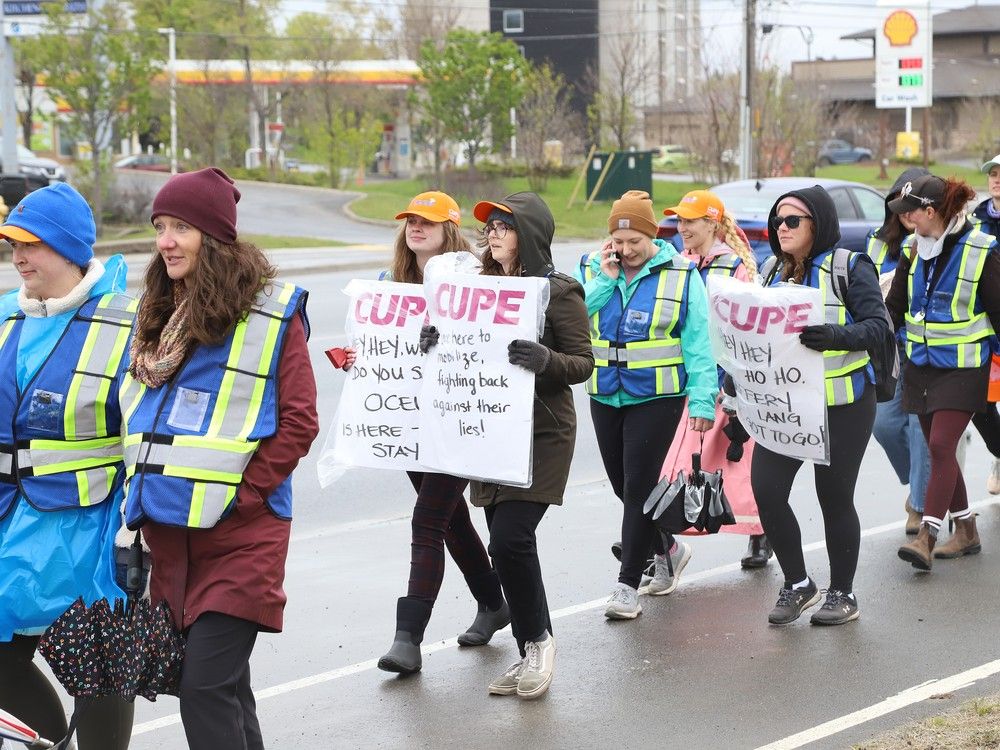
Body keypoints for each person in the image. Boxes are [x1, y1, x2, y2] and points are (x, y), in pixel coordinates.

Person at [121, 168, 319, 750]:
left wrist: (243, 493)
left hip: (242, 537)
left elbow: (300, 422)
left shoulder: (268, 316)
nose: (165, 241)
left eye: (180, 226)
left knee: (205, 688)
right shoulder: (153, 316)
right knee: (226, 688)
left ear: (214, 234)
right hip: (171, 538)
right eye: (160, 226)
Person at [332, 191, 510, 675]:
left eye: (427, 221)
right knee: (450, 519)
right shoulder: (390, 283)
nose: (416, 227)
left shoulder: (474, 277)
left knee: (427, 521)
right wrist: (356, 358)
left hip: (458, 420)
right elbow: (375, 346)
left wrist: (443, 335)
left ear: (449, 229)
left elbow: (489, 343)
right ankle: (494, 602)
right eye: (410, 219)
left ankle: (407, 638)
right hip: (409, 419)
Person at [0, 183, 135, 749]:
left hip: (91, 531)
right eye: (12, 244)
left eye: (31, 244)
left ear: (70, 249)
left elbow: (145, 434)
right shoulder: (8, 315)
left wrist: (136, 529)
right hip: (12, 524)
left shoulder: (127, 321)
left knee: (98, 678)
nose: (19, 256)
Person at [466, 192, 593, 700]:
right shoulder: (476, 289)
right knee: (505, 546)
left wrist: (544, 358)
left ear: (531, 233)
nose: (493, 233)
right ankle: (528, 648)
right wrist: (436, 339)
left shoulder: (559, 291)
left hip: (542, 431)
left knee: (512, 539)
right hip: (491, 431)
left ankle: (540, 642)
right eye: (490, 226)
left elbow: (581, 363)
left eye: (505, 225)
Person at [575, 190, 716, 621]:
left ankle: (626, 585)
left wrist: (704, 400)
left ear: (651, 235)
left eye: (635, 240)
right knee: (623, 486)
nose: (627, 249)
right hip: (605, 392)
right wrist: (605, 277)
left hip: (658, 396)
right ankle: (669, 547)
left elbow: (698, 342)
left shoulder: (680, 273)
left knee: (638, 486)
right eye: (619, 241)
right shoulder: (593, 268)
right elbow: (575, 317)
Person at [754, 185, 889, 626]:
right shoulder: (770, 269)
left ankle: (843, 593)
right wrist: (738, 395)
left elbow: (878, 329)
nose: (782, 228)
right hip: (784, 408)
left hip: (843, 405)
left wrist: (837, 336)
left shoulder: (850, 267)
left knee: (833, 497)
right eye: (777, 221)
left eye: (792, 220)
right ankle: (797, 583)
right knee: (767, 490)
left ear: (819, 224)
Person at [885, 174, 1000, 570]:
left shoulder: (982, 250)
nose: (905, 220)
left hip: (965, 367)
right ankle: (966, 530)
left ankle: (926, 536)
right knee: (940, 445)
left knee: (939, 447)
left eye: (910, 213)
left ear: (930, 212)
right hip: (921, 366)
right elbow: (895, 306)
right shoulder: (912, 249)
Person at [659, 189, 772, 569]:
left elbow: (748, 331)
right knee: (677, 463)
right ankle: (660, 541)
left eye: (690, 221)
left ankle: (760, 532)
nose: (682, 227)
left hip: (725, 381)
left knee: (738, 466)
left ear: (711, 223)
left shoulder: (735, 268)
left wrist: (736, 387)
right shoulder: (676, 262)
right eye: (680, 220)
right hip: (684, 378)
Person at [865, 168, 932, 535]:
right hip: (888, 351)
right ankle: (925, 481)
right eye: (900, 206)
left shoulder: (939, 240)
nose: (907, 213)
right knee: (885, 424)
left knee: (919, 427)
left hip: (926, 351)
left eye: (914, 206)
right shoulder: (876, 243)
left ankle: (920, 506)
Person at [968, 153, 1000, 494]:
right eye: (993, 173)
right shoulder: (974, 222)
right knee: (981, 402)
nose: (996, 179)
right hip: (982, 327)